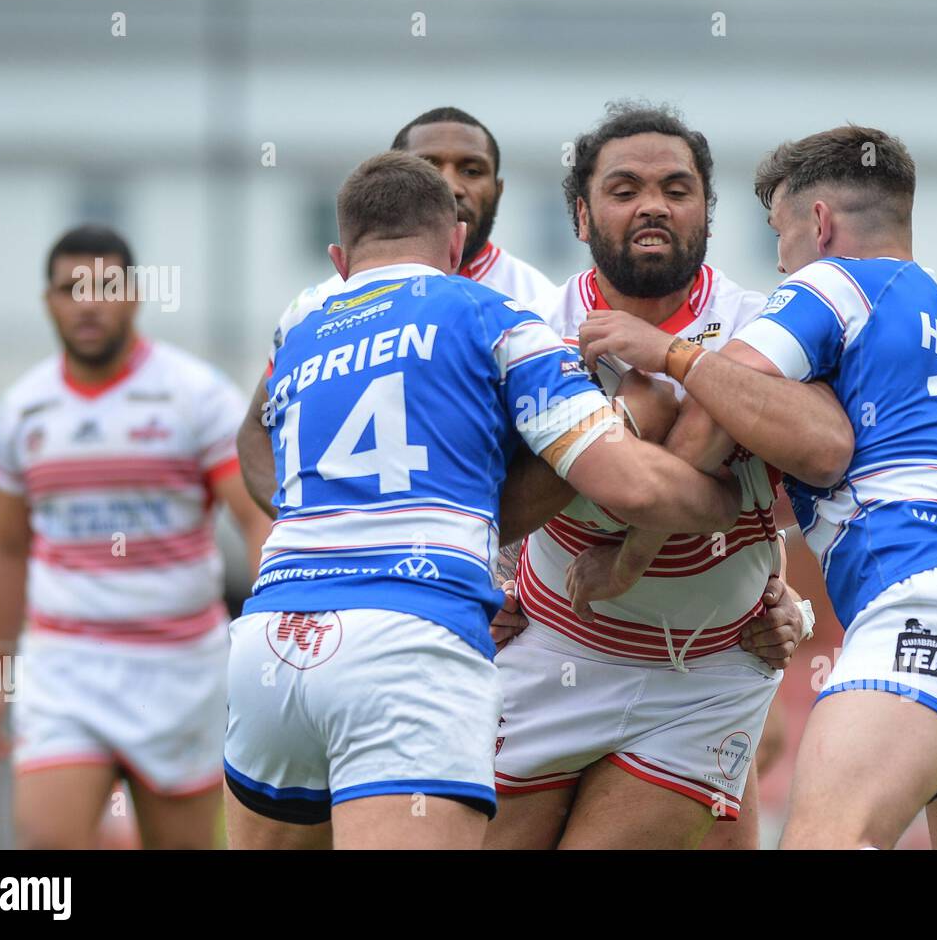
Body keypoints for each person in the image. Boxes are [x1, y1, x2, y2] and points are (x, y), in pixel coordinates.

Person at [222, 151, 744, 850]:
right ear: (458, 245)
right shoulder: (494, 314)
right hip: (408, 642)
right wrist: (721, 500)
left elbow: (251, 434)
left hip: (272, 642)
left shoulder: (303, 318)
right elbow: (633, 486)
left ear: (339, 258)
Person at [577, 125, 937, 849]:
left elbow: (708, 420)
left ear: (820, 224)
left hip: (925, 602)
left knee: (823, 837)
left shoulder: (833, 281)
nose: (779, 258)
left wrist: (627, 558)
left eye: (779, 233)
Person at [482, 104, 845, 850]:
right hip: (551, 646)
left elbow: (825, 449)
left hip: (700, 678)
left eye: (677, 188)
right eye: (624, 188)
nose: (652, 204)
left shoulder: (766, 325)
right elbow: (470, 485)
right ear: (581, 216)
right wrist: (486, 580)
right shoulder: (526, 327)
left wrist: (790, 603)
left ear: (707, 212)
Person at [0, 224, 272, 849]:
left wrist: (275, 639)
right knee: (45, 850)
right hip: (65, 667)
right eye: (69, 289)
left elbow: (254, 515)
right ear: (48, 302)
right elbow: (6, 549)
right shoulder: (23, 410)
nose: (88, 302)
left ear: (134, 295)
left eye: (104, 286)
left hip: (180, 670)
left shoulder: (194, 396)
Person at [237, 106, 552, 516]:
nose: (452, 185)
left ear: (499, 189)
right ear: (399, 179)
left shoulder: (539, 303)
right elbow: (256, 432)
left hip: (487, 563)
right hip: (350, 562)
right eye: (430, 166)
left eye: (472, 170)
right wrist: (300, 520)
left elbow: (570, 450)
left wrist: (490, 535)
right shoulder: (314, 309)